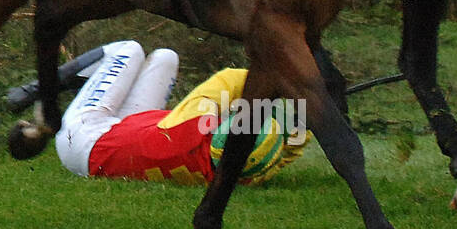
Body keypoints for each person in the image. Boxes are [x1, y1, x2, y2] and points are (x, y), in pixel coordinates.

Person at [39, 41, 306, 185]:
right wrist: (302, 125)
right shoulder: (245, 175)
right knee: (165, 57)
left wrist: (285, 84)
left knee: (129, 50)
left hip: (83, 137)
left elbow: (228, 80)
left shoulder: (190, 127)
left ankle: (42, 85)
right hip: (124, 132)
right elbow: (283, 155)